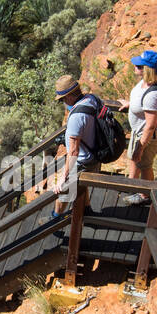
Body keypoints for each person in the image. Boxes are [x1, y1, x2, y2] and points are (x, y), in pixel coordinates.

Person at [121, 50, 157, 206]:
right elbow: (141, 101)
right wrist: (130, 104)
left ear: (147, 70)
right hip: (138, 131)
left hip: (146, 137)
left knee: (145, 165)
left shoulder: (154, 94)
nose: (135, 67)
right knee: (134, 159)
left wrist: (141, 146)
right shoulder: (146, 82)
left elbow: (151, 125)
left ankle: (144, 195)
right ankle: (131, 185)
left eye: (139, 66)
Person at [52, 74, 100, 212]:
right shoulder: (91, 99)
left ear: (68, 96)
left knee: (63, 191)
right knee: (80, 185)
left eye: (62, 99)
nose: (63, 102)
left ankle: (55, 218)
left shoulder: (76, 117)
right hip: (95, 155)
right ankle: (87, 209)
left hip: (82, 162)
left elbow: (73, 152)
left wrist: (64, 177)